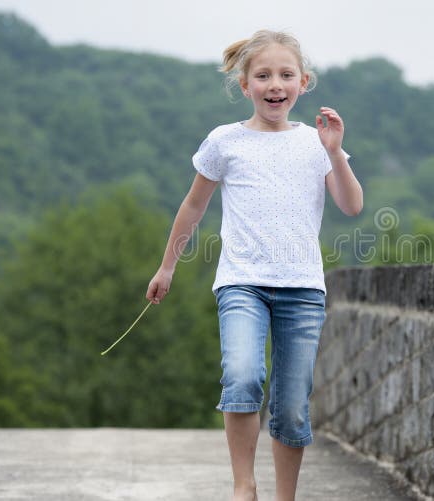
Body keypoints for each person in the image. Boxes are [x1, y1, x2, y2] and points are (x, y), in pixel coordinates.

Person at [145, 30, 363, 501]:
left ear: (303, 83)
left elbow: (351, 204)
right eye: (262, 75)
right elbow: (193, 208)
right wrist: (167, 268)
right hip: (242, 283)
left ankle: (285, 496)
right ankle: (244, 486)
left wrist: (334, 153)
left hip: (303, 289)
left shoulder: (315, 143)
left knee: (292, 407)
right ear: (245, 85)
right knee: (242, 375)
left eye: (286, 75)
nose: (274, 84)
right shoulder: (225, 141)